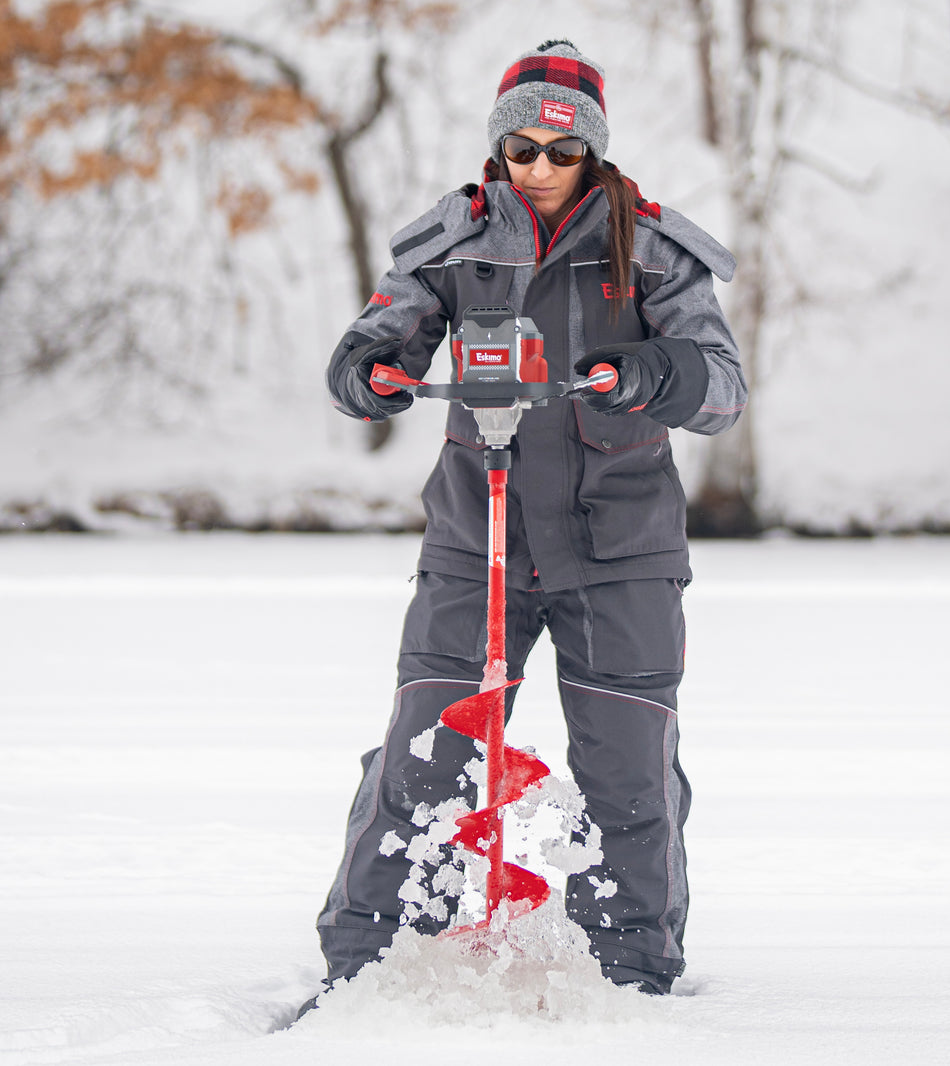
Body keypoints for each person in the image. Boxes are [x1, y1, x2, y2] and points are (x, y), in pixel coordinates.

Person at [314, 39, 746, 1001]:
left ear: (592, 152)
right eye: (522, 150)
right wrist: (371, 376)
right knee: (424, 758)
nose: (540, 169)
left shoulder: (653, 250)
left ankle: (627, 976)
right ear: (499, 148)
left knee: (628, 773)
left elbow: (722, 390)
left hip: (621, 551)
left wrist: (652, 372)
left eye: (562, 151)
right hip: (476, 545)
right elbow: (368, 348)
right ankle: (369, 970)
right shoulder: (453, 241)